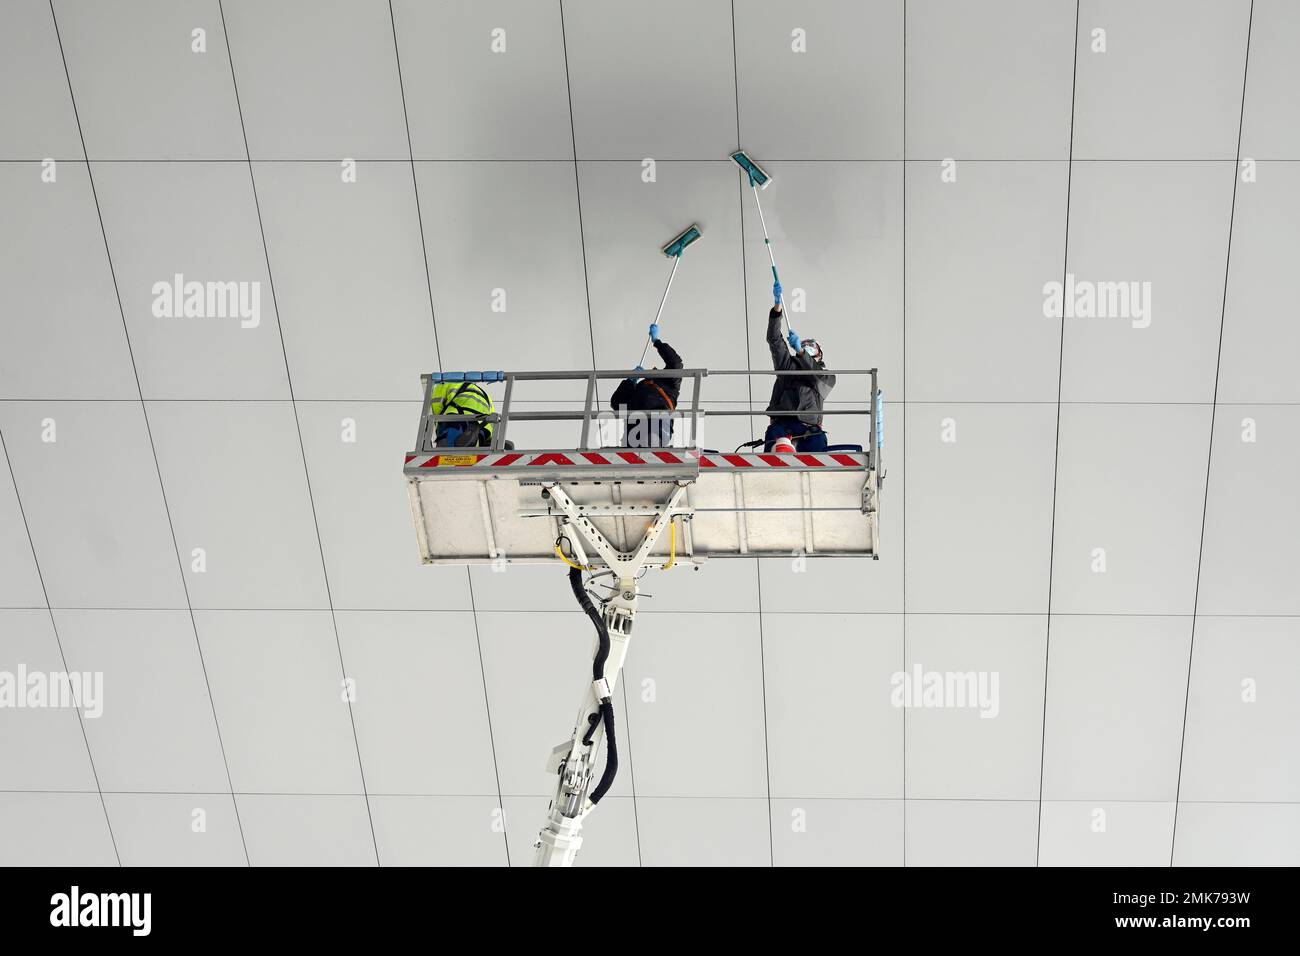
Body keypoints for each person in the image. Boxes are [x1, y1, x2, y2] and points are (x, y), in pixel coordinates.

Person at [764, 282, 835, 451]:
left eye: (811, 346)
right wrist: (777, 307)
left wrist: (802, 352)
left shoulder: (826, 377)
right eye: (804, 345)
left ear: (819, 354)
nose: (807, 347)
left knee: (817, 459)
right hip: (782, 424)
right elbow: (774, 341)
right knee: (776, 451)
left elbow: (818, 379)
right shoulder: (788, 367)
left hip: (810, 429)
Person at [610, 323, 683, 448]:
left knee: (651, 442)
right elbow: (617, 403)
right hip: (635, 427)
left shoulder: (669, 384)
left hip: (657, 423)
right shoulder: (637, 389)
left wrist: (657, 341)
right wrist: (630, 381)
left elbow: (675, 363)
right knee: (635, 448)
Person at [431, 378, 500, 447]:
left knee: (446, 448)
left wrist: (438, 429)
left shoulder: (445, 384)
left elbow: (436, 408)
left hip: (458, 420)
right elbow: (492, 419)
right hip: (482, 428)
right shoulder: (486, 396)